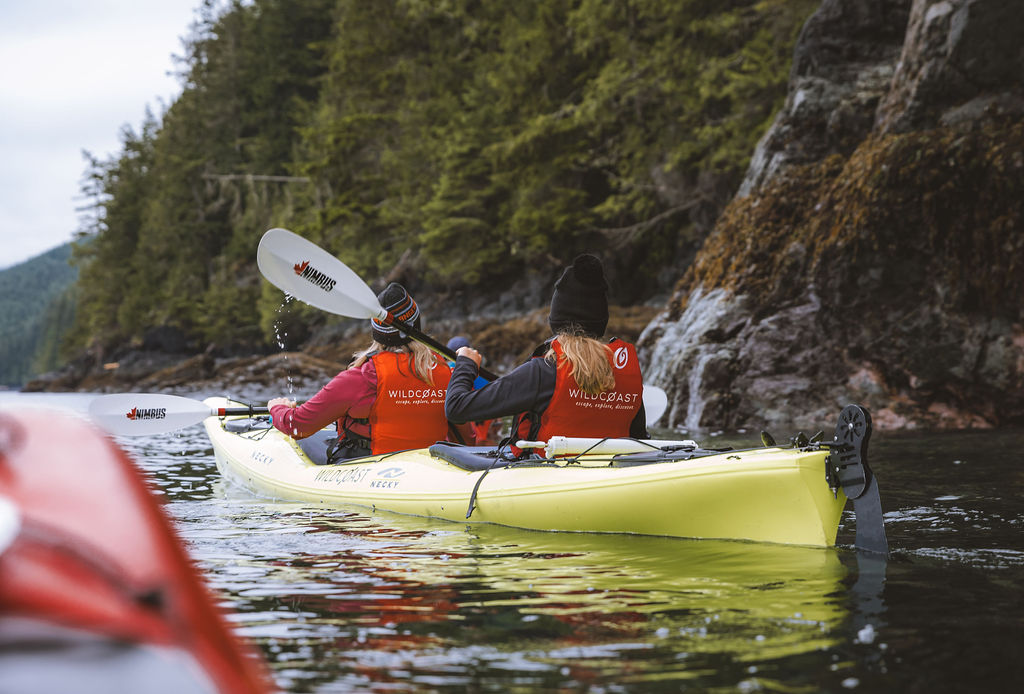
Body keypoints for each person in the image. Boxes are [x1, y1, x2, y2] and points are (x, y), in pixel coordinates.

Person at [445, 254, 647, 456]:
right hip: (611, 471)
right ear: (601, 321)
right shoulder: (626, 374)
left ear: (557, 320)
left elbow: (456, 408)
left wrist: (465, 364)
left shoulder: (543, 372)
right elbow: (640, 440)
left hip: (548, 470)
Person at [268, 283, 472, 462]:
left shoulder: (362, 377)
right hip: (431, 471)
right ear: (417, 324)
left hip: (373, 471)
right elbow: (467, 441)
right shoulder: (448, 373)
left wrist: (277, 408)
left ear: (377, 332)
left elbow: (297, 426)